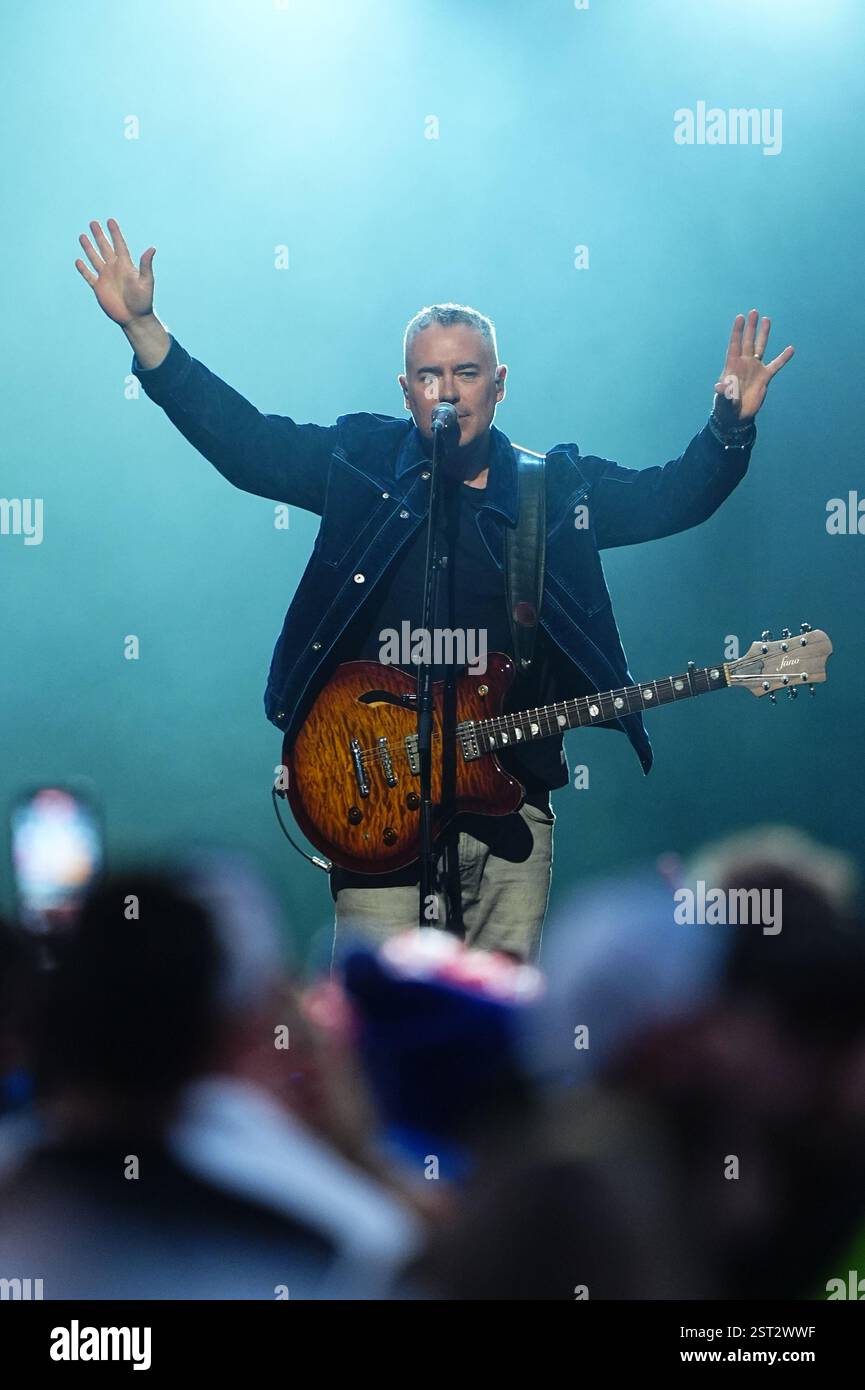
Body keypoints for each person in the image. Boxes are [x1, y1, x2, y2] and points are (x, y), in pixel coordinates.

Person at [74, 217, 794, 962]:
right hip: (373, 795)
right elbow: (247, 444)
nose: (446, 392)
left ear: (499, 383)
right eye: (428, 376)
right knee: (382, 1019)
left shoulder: (556, 489)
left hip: (509, 796)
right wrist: (145, 329)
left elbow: (667, 499)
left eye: (466, 373)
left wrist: (726, 428)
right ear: (406, 388)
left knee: (496, 1022)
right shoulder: (359, 461)